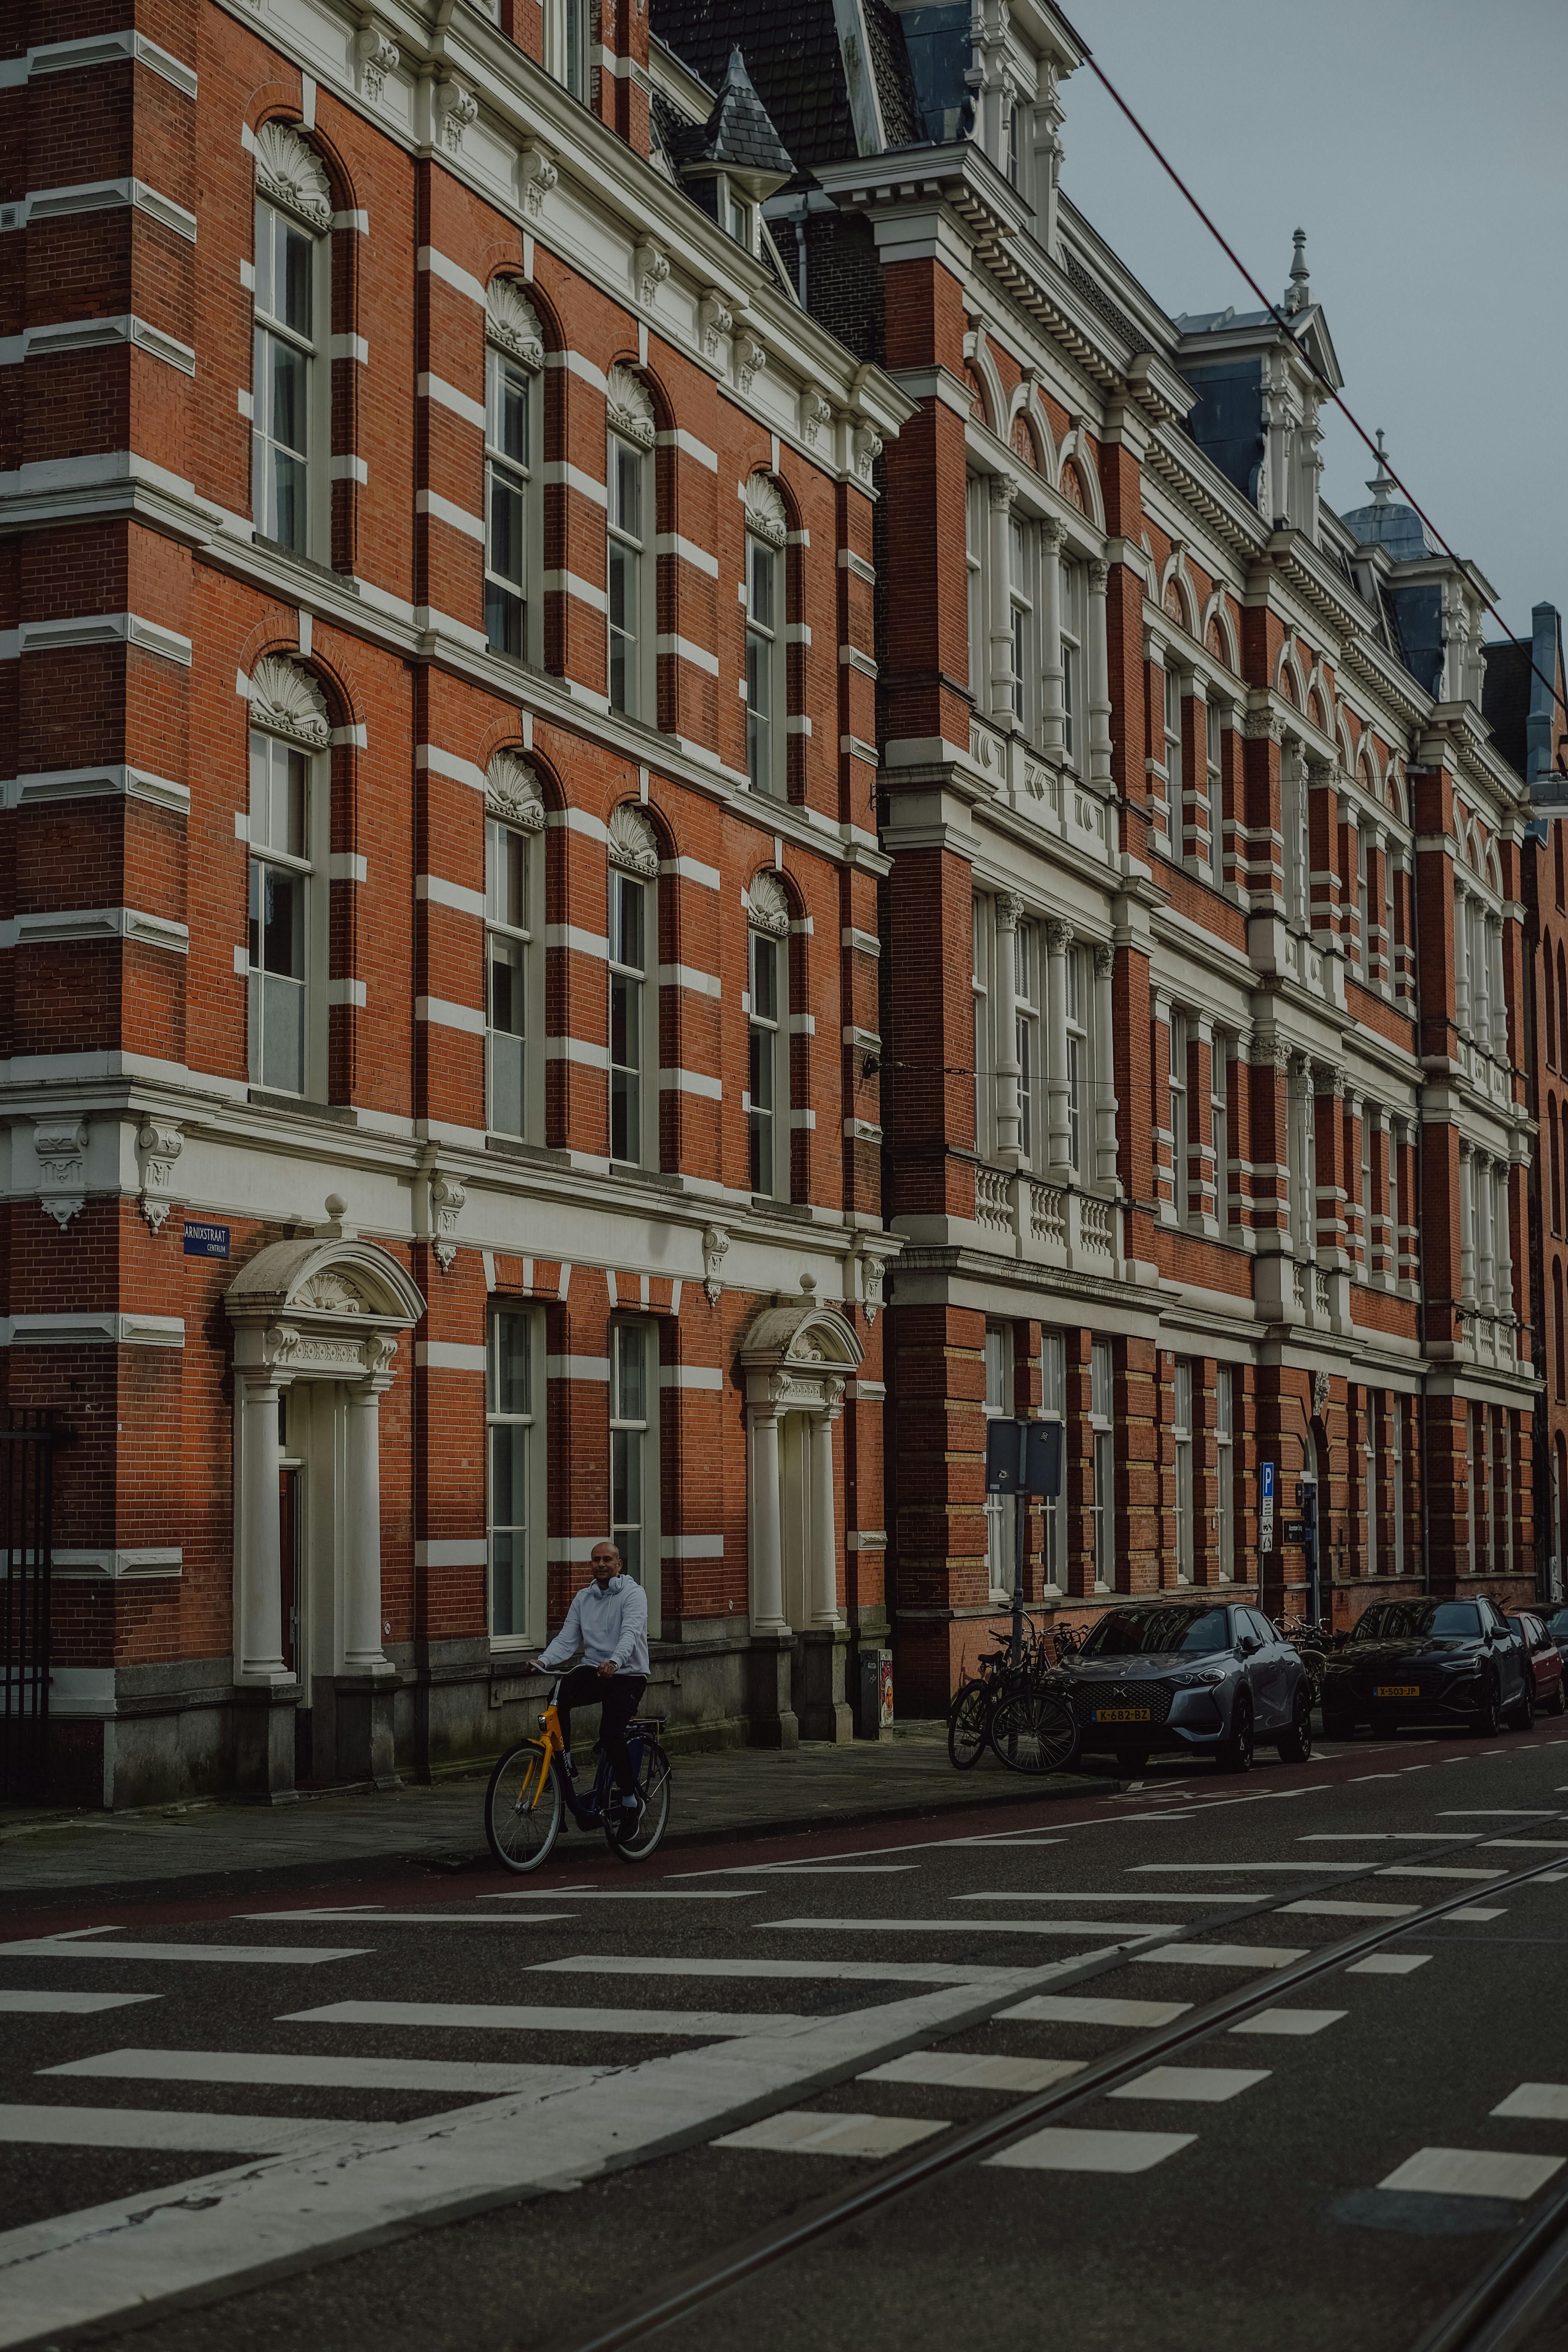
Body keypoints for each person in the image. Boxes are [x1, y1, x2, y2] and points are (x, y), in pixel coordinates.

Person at [534, 1540, 649, 1824]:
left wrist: (615, 1662)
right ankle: (567, 1762)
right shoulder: (583, 1598)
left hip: (628, 1675)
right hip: (596, 1671)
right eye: (596, 1560)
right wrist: (543, 1661)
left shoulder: (634, 1595)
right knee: (557, 1697)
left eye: (607, 1560)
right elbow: (567, 1639)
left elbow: (630, 1634)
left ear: (619, 1565)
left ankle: (630, 1801)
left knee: (611, 1736)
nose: (601, 1565)